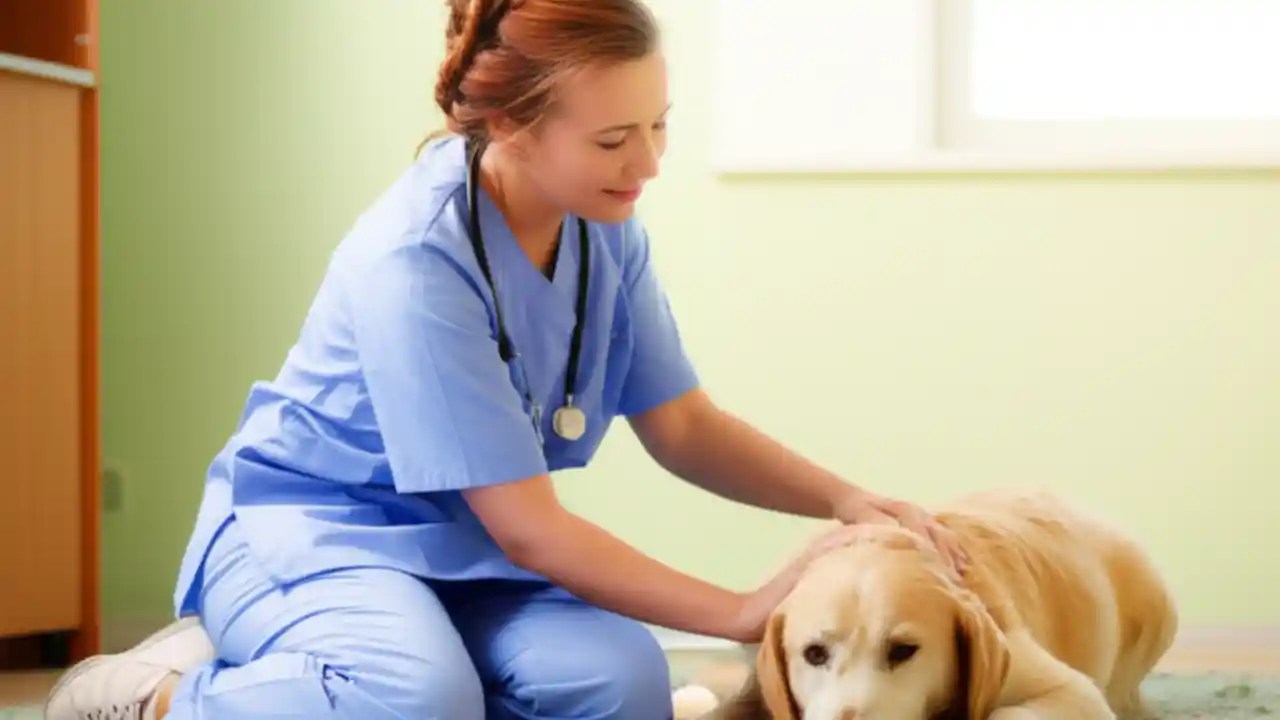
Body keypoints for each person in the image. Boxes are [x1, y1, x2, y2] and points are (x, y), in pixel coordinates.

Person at [46, 1, 967, 718]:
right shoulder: (415, 260)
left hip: (463, 553)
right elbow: (532, 529)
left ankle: (355, 682)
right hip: (312, 535)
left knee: (621, 686)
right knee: (414, 699)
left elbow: (683, 423)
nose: (646, 162)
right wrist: (736, 609)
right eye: (614, 139)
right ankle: (163, 693)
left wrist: (845, 499)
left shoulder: (604, 228)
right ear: (514, 129)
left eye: (659, 126)